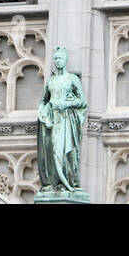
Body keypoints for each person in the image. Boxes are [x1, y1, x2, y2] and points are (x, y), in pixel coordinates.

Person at [36, 46, 87, 193]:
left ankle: (71, 183)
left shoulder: (72, 79)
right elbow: (44, 101)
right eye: (56, 58)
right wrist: (42, 112)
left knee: (66, 152)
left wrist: (66, 104)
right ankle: (56, 183)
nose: (58, 61)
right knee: (53, 152)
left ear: (66, 60)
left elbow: (82, 101)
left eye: (60, 58)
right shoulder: (51, 81)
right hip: (53, 121)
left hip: (66, 120)